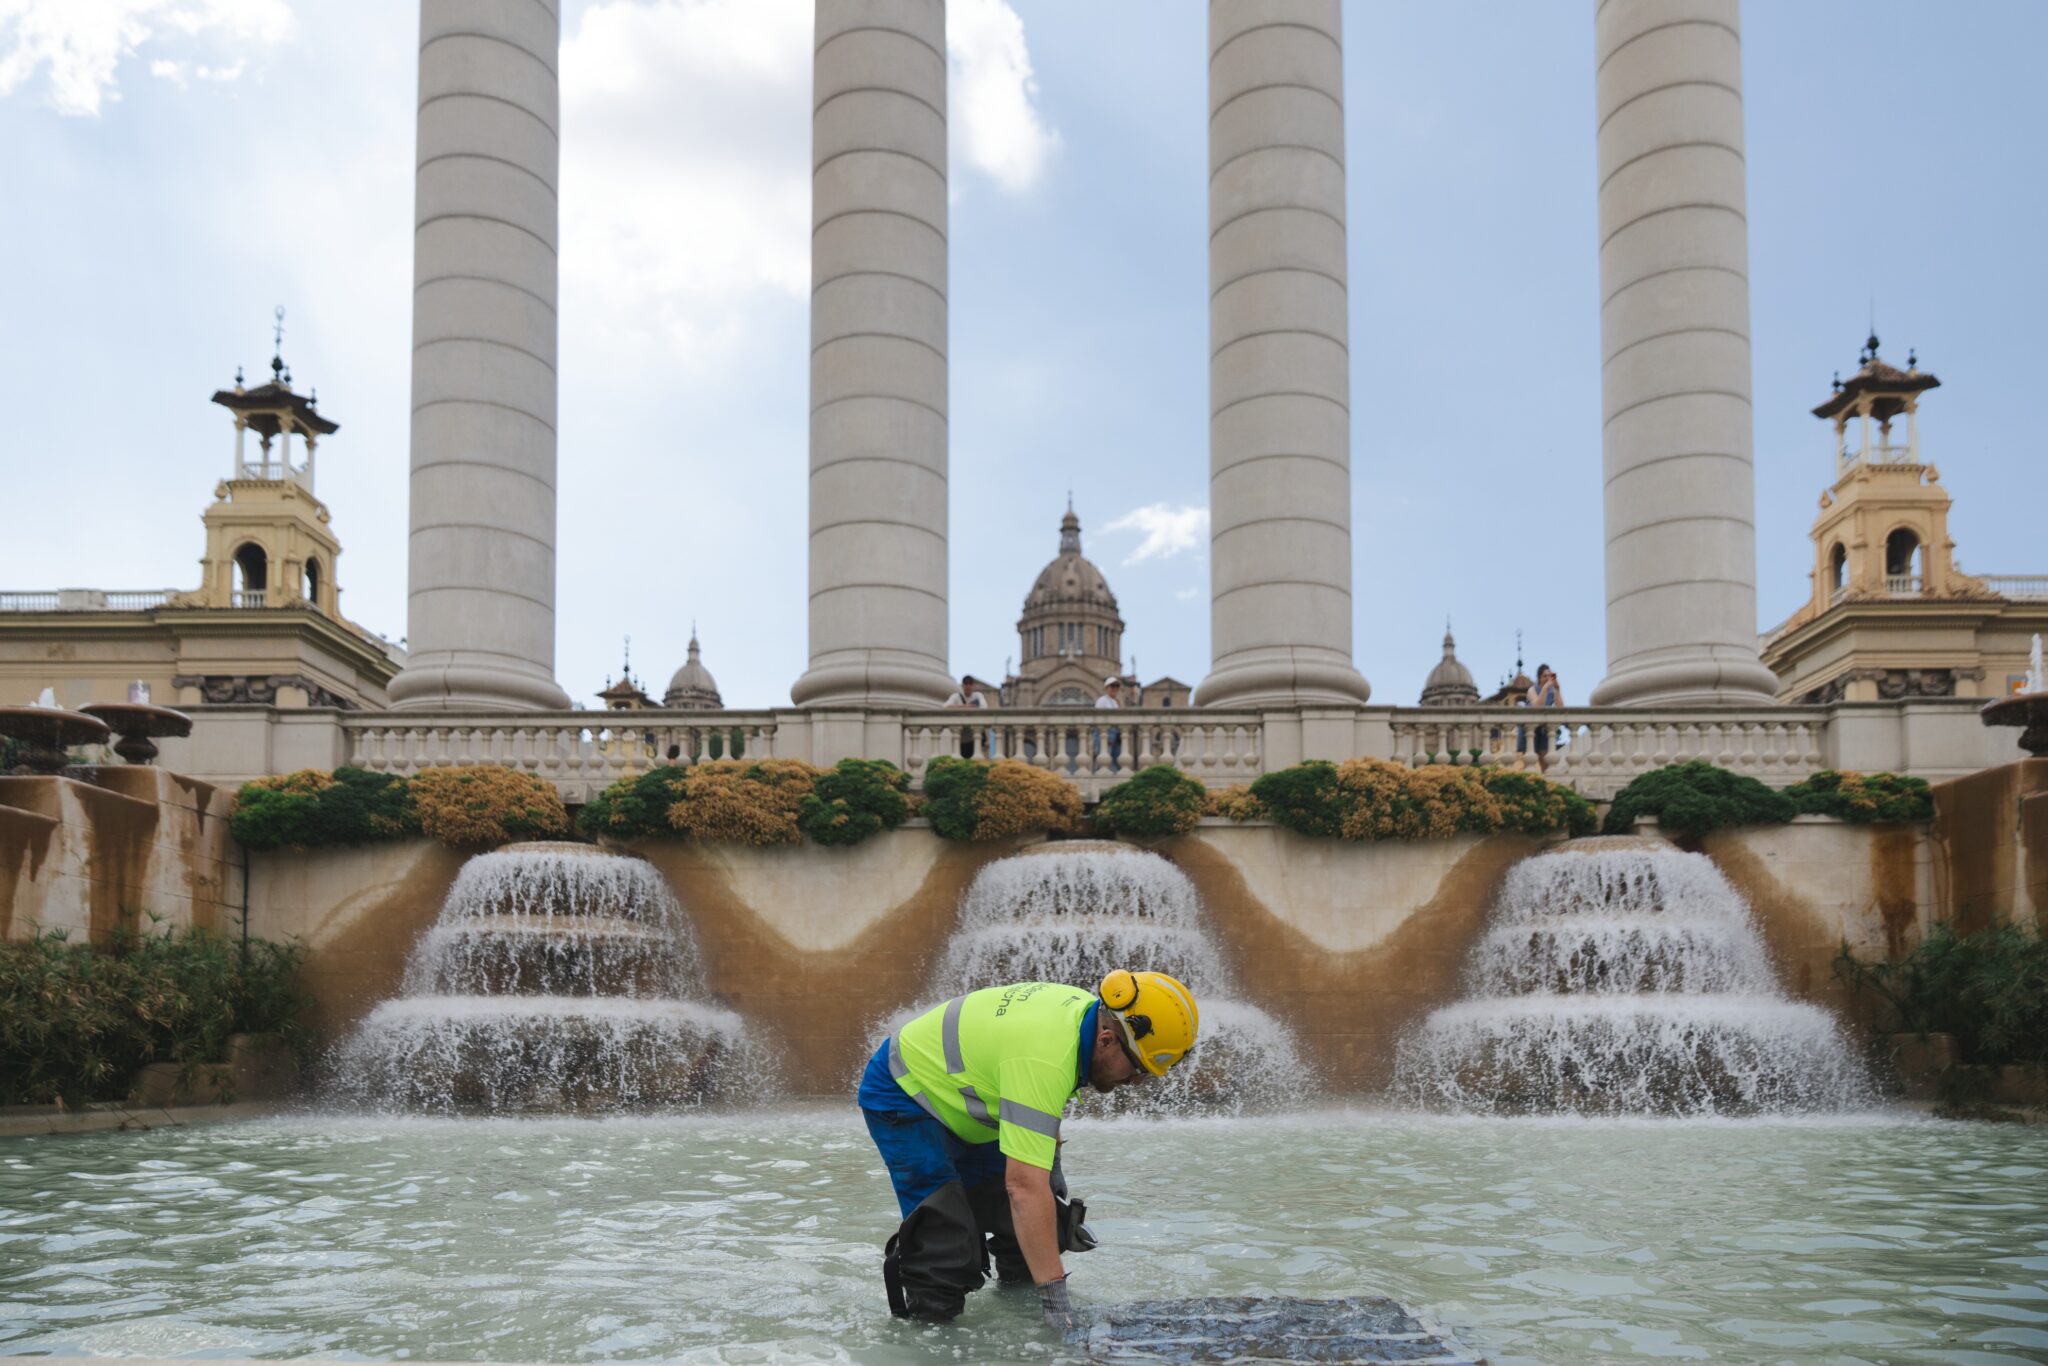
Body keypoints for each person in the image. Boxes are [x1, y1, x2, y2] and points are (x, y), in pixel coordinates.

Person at [857, 971, 1200, 1331]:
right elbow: (1023, 1182)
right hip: (905, 1094)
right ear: (1106, 1039)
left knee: (1040, 1223)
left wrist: (1051, 1166)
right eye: (1138, 1068)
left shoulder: (1083, 1014)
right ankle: (930, 1337)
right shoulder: (1046, 1055)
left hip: (971, 1102)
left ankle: (1015, 1309)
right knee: (945, 1245)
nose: (1136, 1083)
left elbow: (1039, 1094)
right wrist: (1058, 1306)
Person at [944, 674, 991, 757]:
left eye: (970, 684)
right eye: (966, 684)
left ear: (973, 686)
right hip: (960, 736)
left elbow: (984, 708)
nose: (968, 686)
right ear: (962, 685)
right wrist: (965, 707)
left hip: (972, 735)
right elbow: (945, 707)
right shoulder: (956, 696)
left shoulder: (978, 695)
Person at [1526, 665, 1563, 770]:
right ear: (1539, 678)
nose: (1547, 678)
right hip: (1530, 727)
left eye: (1549, 675)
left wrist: (1557, 689)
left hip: (1544, 727)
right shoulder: (1532, 690)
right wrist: (1545, 688)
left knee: (1544, 757)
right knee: (1529, 758)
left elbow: (1560, 707)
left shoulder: (1552, 691)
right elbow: (1538, 706)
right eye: (1544, 676)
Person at [1093, 676, 1123, 770]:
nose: (1114, 688)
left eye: (1116, 686)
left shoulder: (1115, 702)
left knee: (1118, 758)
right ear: (1107, 688)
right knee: (1103, 757)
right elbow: (1098, 717)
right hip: (1105, 733)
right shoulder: (1102, 700)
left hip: (1116, 733)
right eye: (1112, 686)